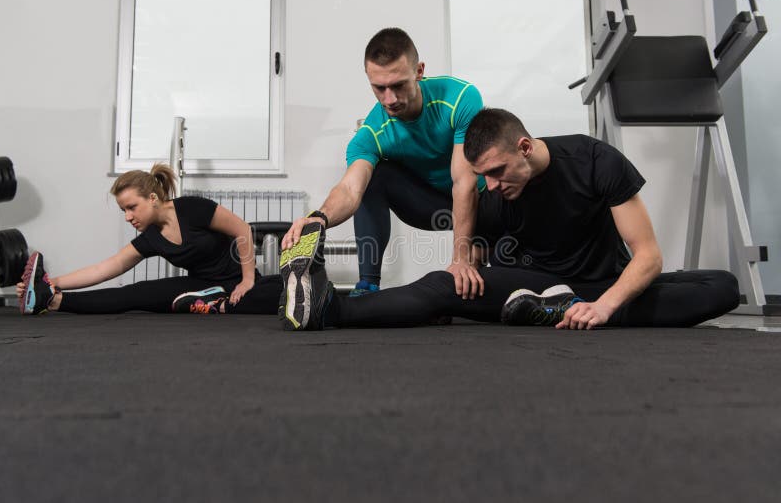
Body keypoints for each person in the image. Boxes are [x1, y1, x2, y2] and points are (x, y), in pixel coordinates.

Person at [275, 108, 739, 331]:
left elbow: (650, 257)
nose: (490, 186)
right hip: (534, 285)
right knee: (443, 286)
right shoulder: (492, 194)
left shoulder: (596, 160)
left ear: (525, 147)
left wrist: (604, 306)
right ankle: (332, 308)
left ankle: (565, 310)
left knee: (720, 286)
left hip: (604, 283)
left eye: (495, 173)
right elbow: (476, 253)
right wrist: (468, 269)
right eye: (482, 177)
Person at [280, 27, 501, 300]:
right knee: (375, 174)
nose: (390, 99)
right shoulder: (371, 133)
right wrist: (318, 218)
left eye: (398, 85)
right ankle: (368, 286)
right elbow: (350, 190)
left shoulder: (459, 98)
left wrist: (461, 259)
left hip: (483, 203)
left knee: (489, 280)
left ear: (419, 71)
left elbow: (464, 182)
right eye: (379, 88)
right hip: (428, 206)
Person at [18, 164, 282, 315]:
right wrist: (51, 284)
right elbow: (106, 268)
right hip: (199, 287)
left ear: (153, 198)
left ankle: (222, 303)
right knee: (135, 293)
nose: (127, 216)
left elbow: (243, 230)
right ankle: (53, 301)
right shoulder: (151, 238)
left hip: (237, 282)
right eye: (123, 210)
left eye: (132, 207)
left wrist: (247, 280)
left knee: (279, 292)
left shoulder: (192, 208)